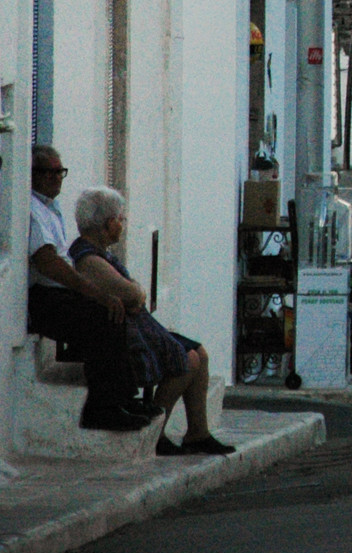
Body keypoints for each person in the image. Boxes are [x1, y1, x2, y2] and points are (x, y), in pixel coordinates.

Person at [69, 186, 234, 455]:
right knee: (188, 360)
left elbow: (132, 293)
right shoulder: (89, 259)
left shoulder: (101, 254)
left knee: (200, 354)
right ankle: (155, 432)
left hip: (139, 329)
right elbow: (133, 294)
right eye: (120, 219)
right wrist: (136, 292)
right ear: (108, 223)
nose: (122, 224)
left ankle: (198, 433)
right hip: (128, 336)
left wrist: (135, 293)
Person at [25, 146, 148, 432]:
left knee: (110, 314)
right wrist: (95, 293)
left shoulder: (50, 208)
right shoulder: (31, 210)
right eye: (49, 172)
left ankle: (121, 398)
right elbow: (48, 262)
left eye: (60, 172)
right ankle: (101, 408)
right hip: (43, 297)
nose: (57, 178)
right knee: (103, 316)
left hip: (58, 293)